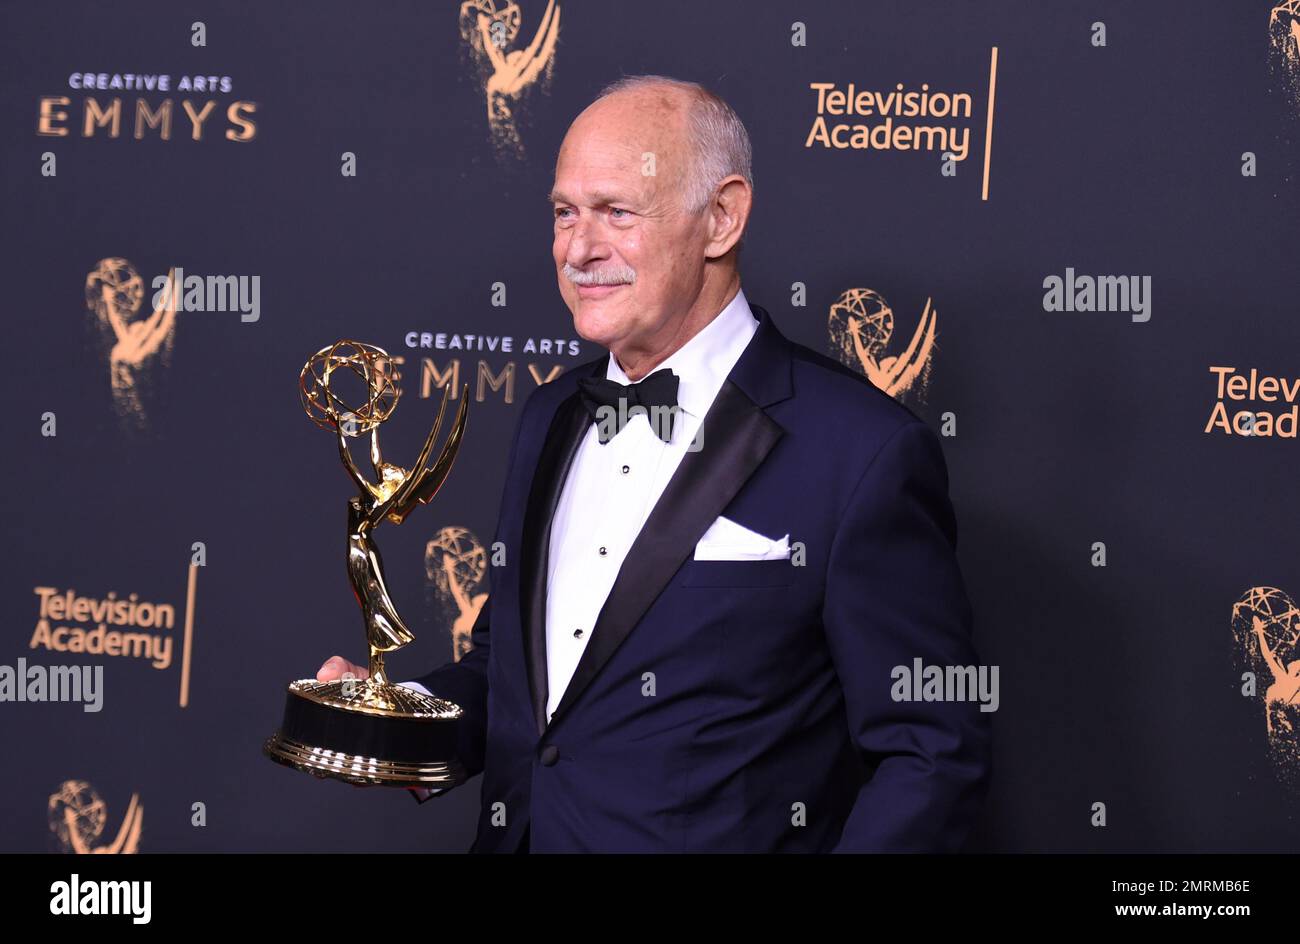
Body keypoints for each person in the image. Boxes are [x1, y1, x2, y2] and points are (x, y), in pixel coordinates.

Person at [317, 74, 991, 852]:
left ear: (722, 217)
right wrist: (396, 720)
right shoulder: (551, 414)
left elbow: (931, 754)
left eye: (616, 213)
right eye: (565, 213)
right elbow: (518, 680)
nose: (578, 249)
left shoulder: (861, 451)